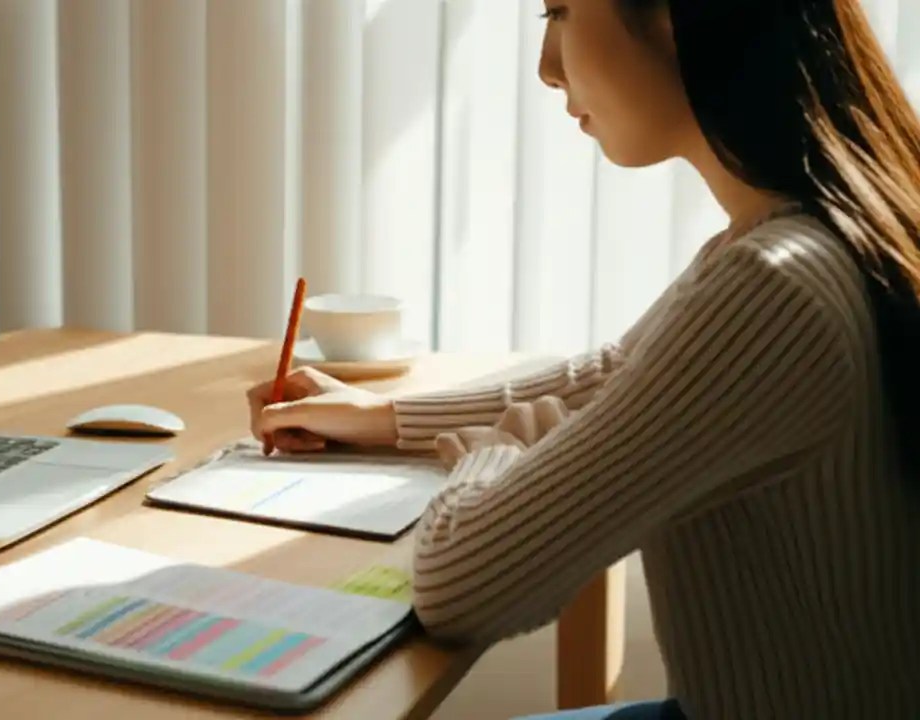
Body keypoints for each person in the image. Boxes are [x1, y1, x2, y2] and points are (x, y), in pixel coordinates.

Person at [247, 0, 920, 717]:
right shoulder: (801, 237)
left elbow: (459, 588)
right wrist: (382, 418)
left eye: (560, 11)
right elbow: (612, 375)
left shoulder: (775, 284)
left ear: (671, 16)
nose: (545, 65)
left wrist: (499, 454)